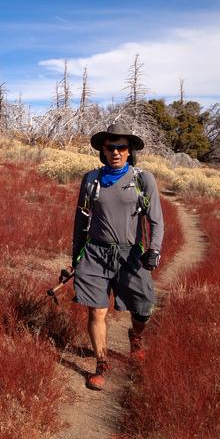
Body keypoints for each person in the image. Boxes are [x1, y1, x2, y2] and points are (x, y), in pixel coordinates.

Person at [71, 122, 164, 391]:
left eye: (121, 147)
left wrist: (154, 250)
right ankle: (101, 364)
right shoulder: (91, 179)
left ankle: (136, 337)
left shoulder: (143, 179)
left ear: (129, 151)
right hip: (95, 253)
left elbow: (156, 220)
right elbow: (81, 220)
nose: (116, 152)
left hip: (130, 255)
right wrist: (76, 255)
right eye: (110, 147)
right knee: (97, 309)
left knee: (143, 308)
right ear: (103, 149)